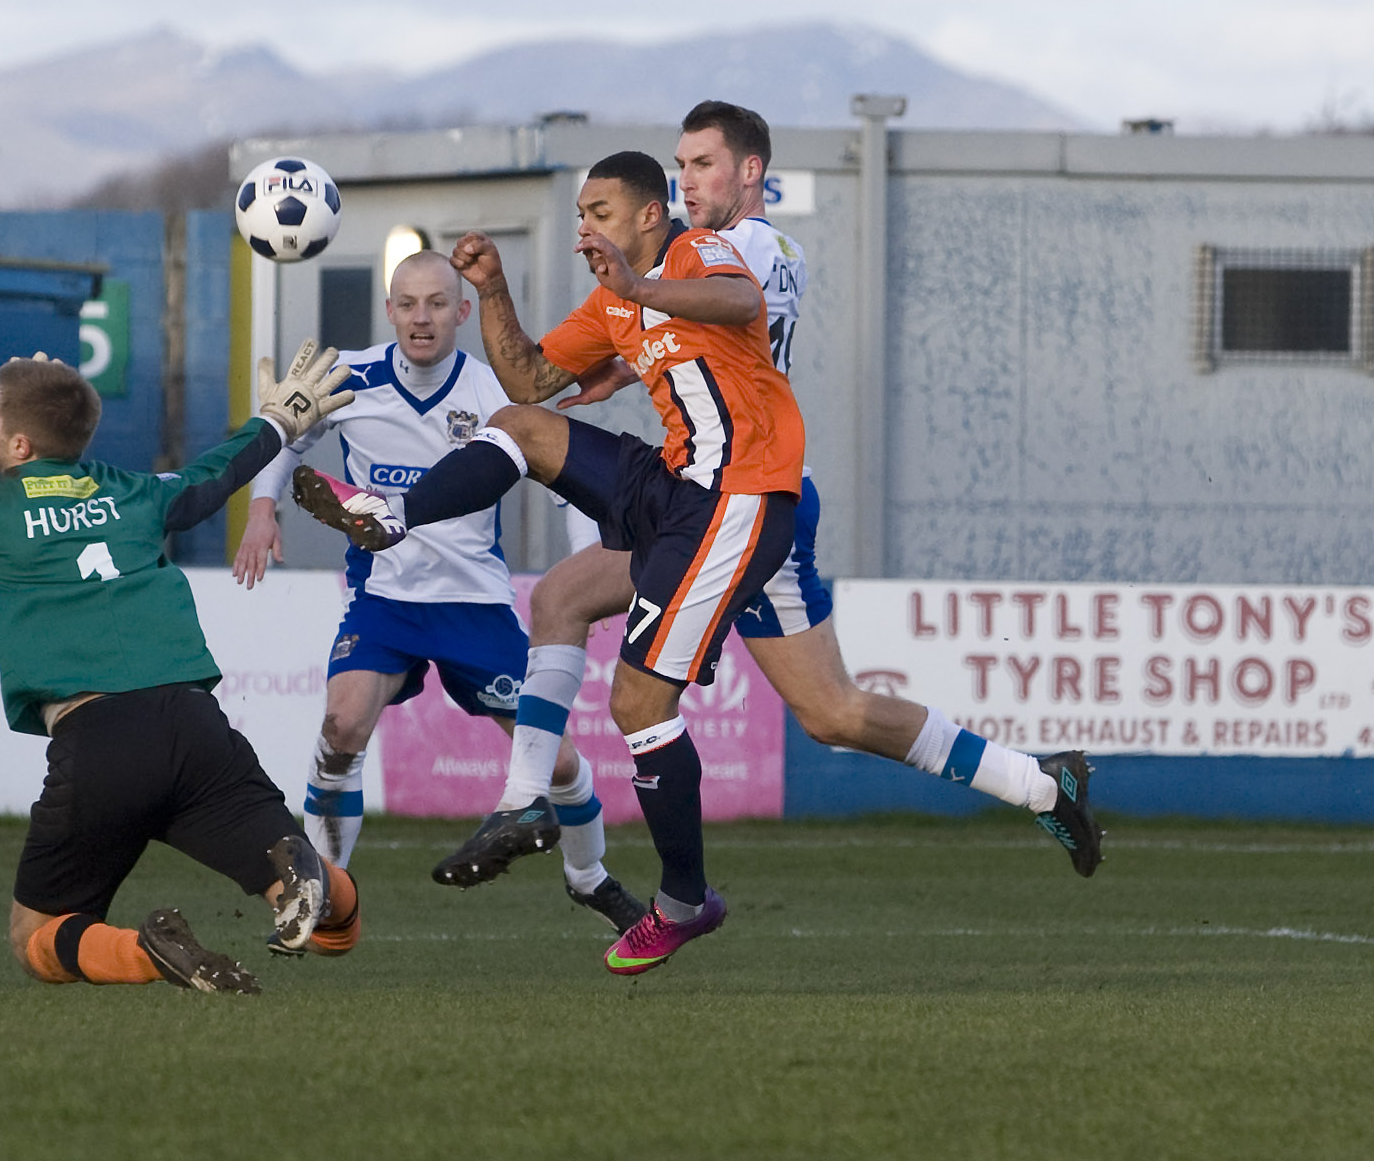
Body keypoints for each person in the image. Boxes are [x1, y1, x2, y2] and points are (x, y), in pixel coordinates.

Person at [527, 102, 1104, 880]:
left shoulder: (742, 247)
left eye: (703, 164)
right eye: (681, 164)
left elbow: (729, 304)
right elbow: (718, 333)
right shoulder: (753, 249)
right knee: (832, 712)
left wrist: (635, 313)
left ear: (751, 171)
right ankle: (1038, 783)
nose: (685, 181)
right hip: (724, 494)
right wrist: (631, 357)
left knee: (568, 603)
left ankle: (533, 797)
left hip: (736, 500)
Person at [294, 150, 804, 976]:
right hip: (676, 484)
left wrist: (638, 292)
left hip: (738, 494)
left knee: (639, 703)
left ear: (648, 213)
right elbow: (528, 380)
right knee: (534, 485)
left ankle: (681, 902)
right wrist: (494, 290)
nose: (583, 228)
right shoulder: (615, 301)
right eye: (579, 214)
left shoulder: (694, 254)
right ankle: (395, 519)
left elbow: (741, 298)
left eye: (598, 212)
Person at [0, 342, 361, 995]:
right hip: (194, 728)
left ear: (20, 445)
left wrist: (13, 433)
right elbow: (211, 478)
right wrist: (279, 423)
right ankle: (310, 877)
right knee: (331, 930)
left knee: (36, 936)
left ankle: (148, 951)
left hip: (100, 742)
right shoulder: (135, 494)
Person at [233, 250, 648, 934]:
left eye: (435, 304)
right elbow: (284, 440)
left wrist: (587, 576)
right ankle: (327, 897)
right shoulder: (351, 378)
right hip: (386, 601)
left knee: (561, 760)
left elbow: (568, 483)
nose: (420, 318)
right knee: (341, 727)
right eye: (407, 303)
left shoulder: (493, 394)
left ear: (461, 312)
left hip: (474, 604)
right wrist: (260, 508)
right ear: (390, 310)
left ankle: (589, 877)